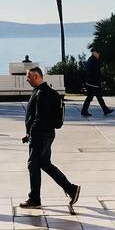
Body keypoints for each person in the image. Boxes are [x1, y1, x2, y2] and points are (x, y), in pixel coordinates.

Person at [20, 66, 80, 212]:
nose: (27, 80)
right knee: (45, 164)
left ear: (36, 76)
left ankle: (34, 199)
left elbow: (40, 117)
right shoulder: (47, 92)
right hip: (46, 134)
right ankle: (71, 189)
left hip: (40, 135)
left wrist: (31, 133)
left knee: (33, 165)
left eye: (29, 77)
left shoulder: (43, 93)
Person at [81, 48, 114, 118]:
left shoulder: (92, 60)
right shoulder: (92, 61)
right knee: (90, 97)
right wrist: (96, 81)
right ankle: (84, 111)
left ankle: (105, 110)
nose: (99, 54)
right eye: (98, 53)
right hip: (92, 83)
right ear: (94, 53)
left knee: (98, 97)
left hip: (92, 83)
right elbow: (93, 73)